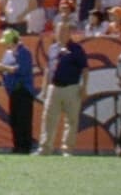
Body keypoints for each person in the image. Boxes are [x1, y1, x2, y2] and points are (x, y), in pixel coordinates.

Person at [37, 20, 87, 156]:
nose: (61, 33)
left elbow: (85, 69)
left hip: (71, 87)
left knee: (71, 120)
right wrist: (44, 88)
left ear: (69, 32)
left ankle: (67, 149)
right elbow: (48, 69)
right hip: (54, 87)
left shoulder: (76, 49)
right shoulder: (53, 48)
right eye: (59, 31)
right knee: (48, 119)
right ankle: (45, 148)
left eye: (64, 31)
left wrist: (84, 87)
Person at [0, 28, 36, 154]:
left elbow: (21, 69)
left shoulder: (24, 52)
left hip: (23, 90)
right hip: (12, 91)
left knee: (23, 120)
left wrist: (4, 68)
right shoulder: (7, 53)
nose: (6, 44)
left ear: (14, 40)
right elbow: (5, 69)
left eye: (7, 41)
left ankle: (25, 147)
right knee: (14, 120)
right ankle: (17, 145)